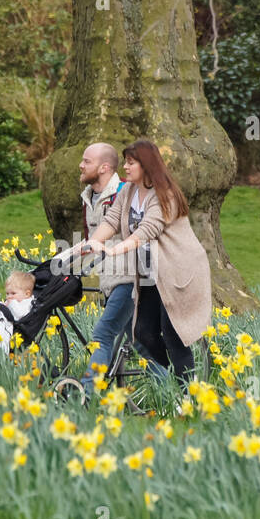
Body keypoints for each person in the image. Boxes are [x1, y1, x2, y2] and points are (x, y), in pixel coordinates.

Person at [70, 138, 212, 384]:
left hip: (178, 272)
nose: (125, 167)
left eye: (131, 163)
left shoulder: (164, 196)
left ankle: (189, 394)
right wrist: (92, 243)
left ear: (146, 166)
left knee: (172, 334)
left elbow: (147, 230)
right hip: (149, 275)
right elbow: (111, 221)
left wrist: (114, 250)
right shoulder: (128, 191)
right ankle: (169, 385)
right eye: (126, 162)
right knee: (142, 333)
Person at [74, 142, 131, 388]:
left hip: (131, 277)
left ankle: (84, 394)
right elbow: (91, 243)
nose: (81, 164)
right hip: (110, 279)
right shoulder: (89, 198)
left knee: (103, 335)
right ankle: (172, 393)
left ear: (104, 167)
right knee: (142, 342)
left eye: (87, 161)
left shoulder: (125, 194)